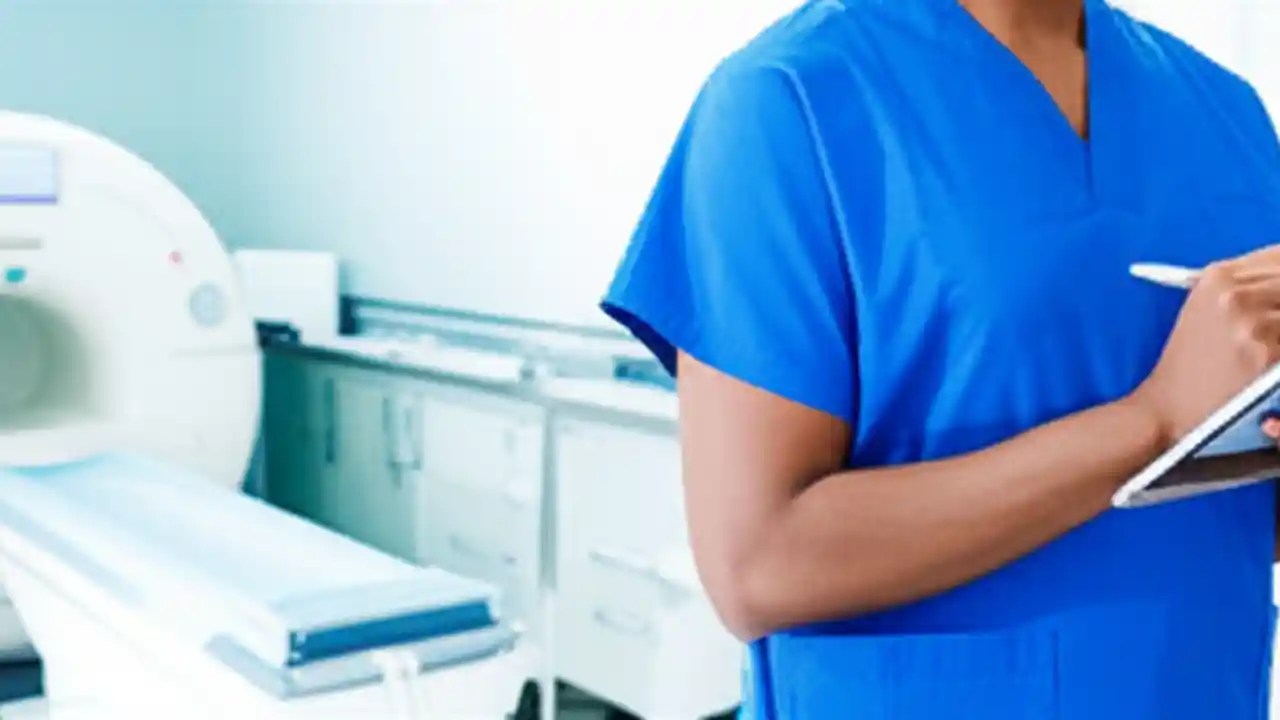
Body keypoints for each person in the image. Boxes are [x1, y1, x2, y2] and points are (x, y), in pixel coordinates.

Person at [600, 0, 1280, 717]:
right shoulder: (788, 99)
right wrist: (1152, 422)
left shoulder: (1225, 111)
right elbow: (760, 564)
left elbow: (1231, 519)